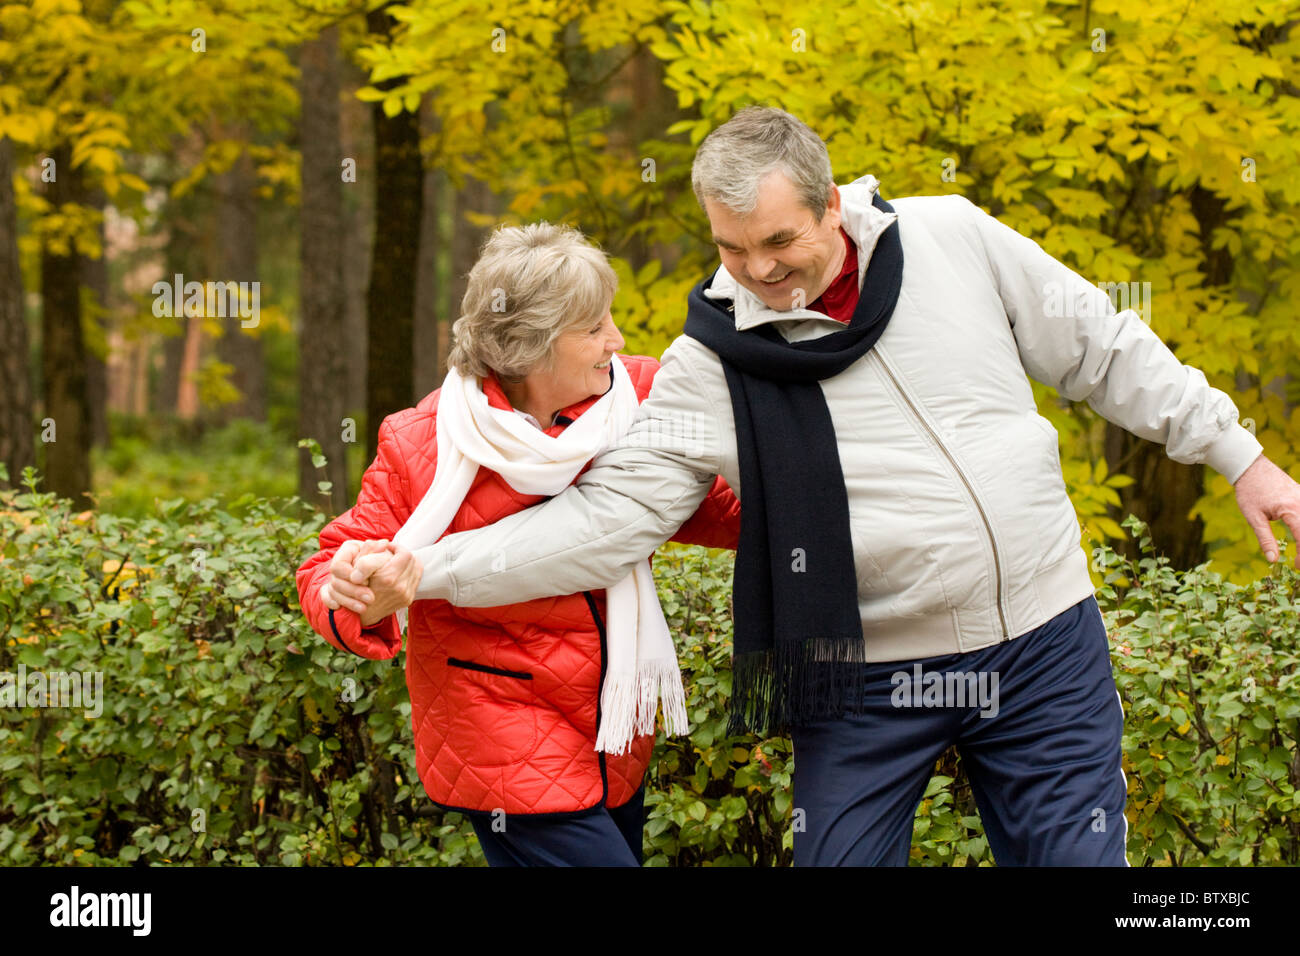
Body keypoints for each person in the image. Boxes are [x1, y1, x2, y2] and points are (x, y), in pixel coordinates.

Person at [352, 106, 1300, 867]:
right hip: (867, 675)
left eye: (779, 240)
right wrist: (424, 569)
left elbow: (1101, 346)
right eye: (731, 250)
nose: (759, 271)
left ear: (831, 203)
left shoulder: (953, 240)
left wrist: (1238, 455)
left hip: (1046, 643)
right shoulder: (709, 367)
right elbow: (609, 519)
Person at [294, 222, 740, 867]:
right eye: (592, 328)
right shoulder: (422, 441)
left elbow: (714, 507)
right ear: (528, 348)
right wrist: (356, 587)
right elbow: (329, 567)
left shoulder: (636, 401)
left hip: (614, 730)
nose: (616, 341)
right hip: (498, 730)